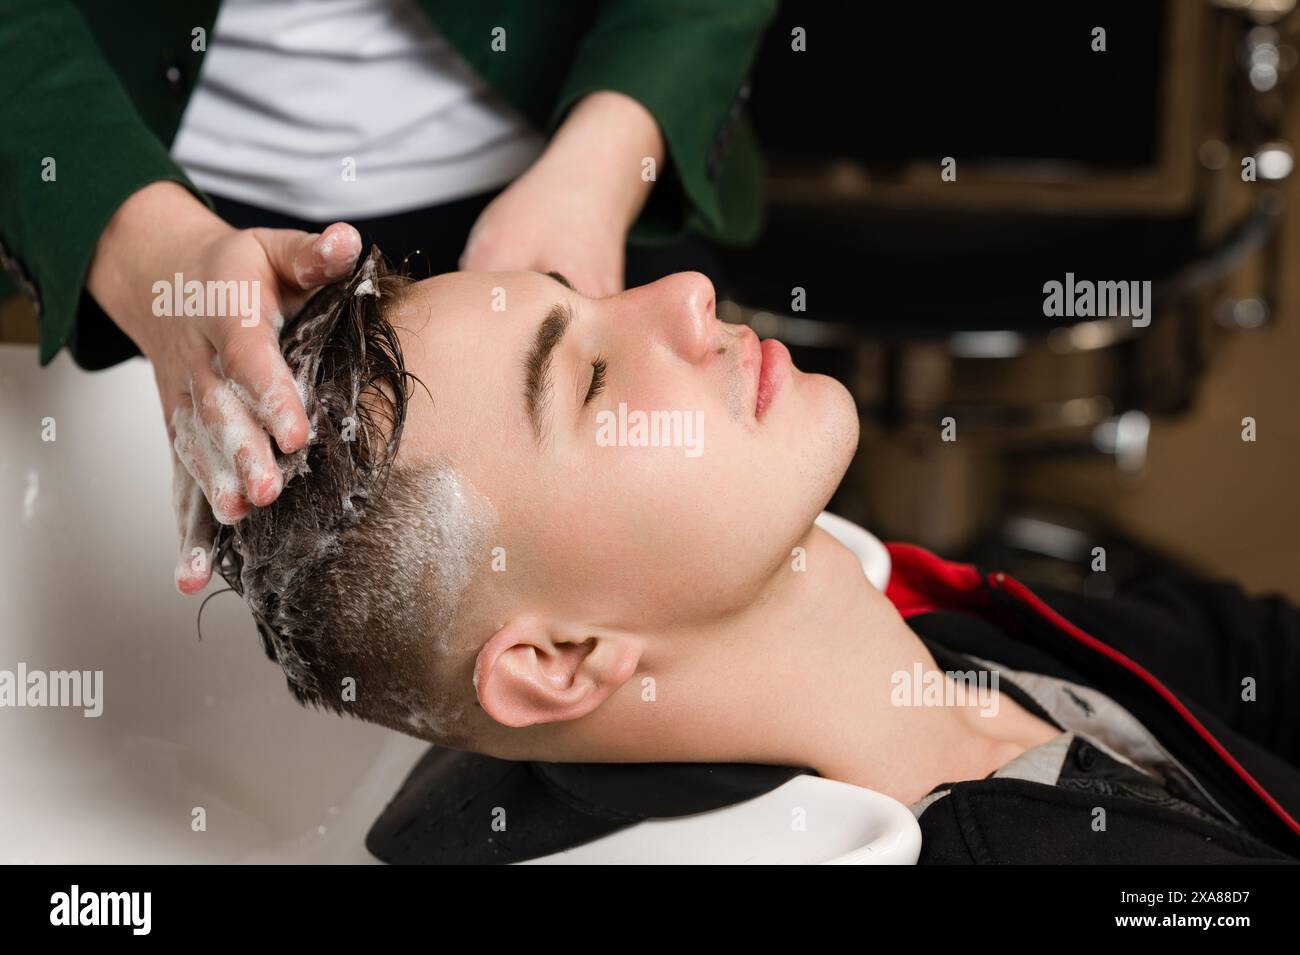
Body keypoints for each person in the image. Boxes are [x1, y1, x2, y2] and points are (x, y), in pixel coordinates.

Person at [216, 249, 1300, 864]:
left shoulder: (898, 620)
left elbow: (1240, 654)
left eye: (587, 298)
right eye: (590, 378)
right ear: (559, 659)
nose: (685, 293)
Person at [0, 0, 774, 591]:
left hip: (580, 161)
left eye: (585, 383)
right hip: (154, 193)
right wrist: (140, 244)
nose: (694, 297)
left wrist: (606, 163)